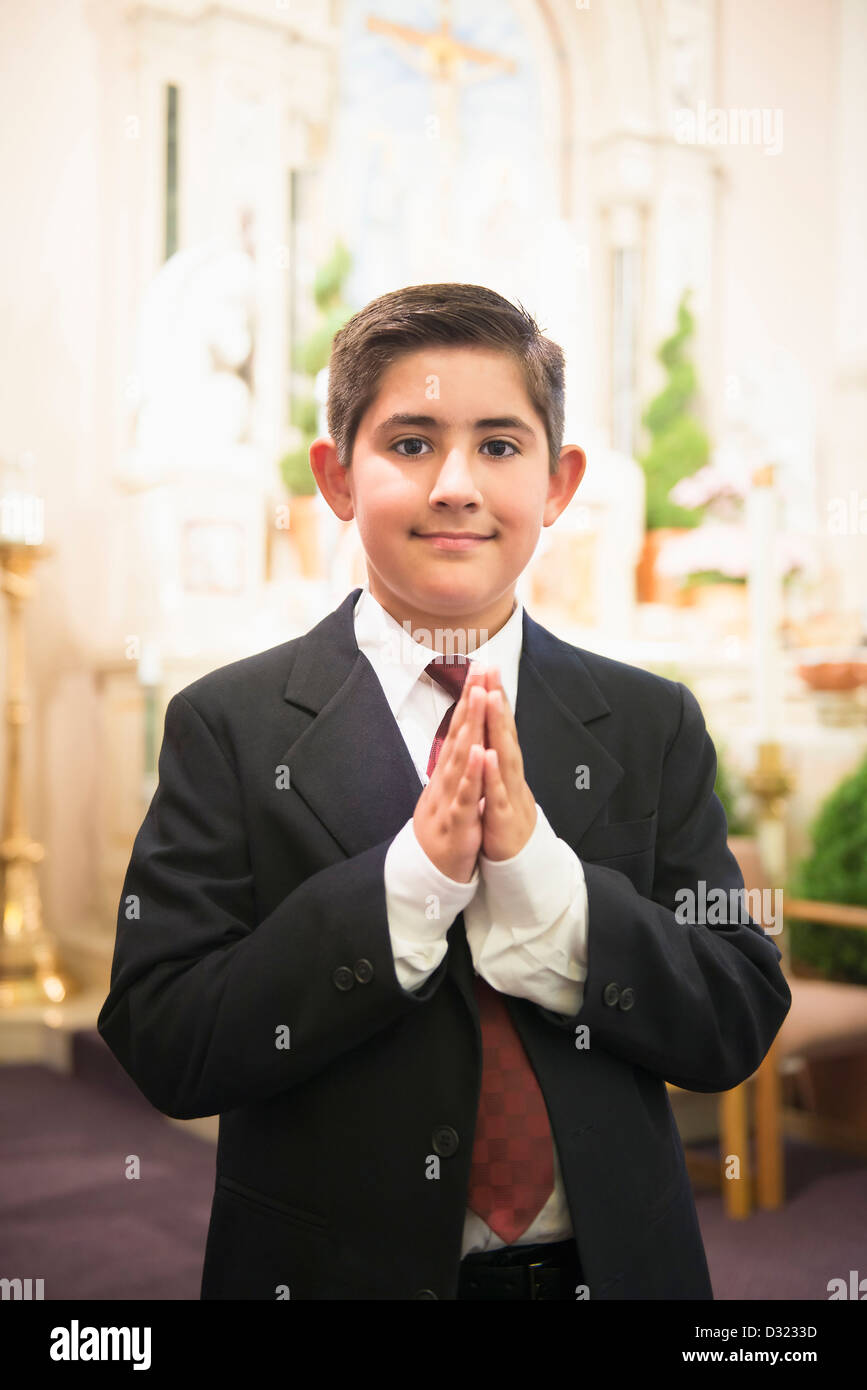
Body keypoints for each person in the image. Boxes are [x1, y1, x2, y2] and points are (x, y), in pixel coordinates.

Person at [98, 282, 791, 1300]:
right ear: (336, 476)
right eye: (411, 444)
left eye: (501, 447)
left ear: (560, 485)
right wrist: (407, 887)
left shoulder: (651, 724)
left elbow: (734, 1011)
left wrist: (552, 891)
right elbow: (164, 1035)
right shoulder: (230, 727)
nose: (457, 484)